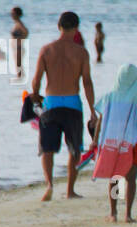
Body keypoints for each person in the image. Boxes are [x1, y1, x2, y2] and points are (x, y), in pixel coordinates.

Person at [31, 11, 95, 200]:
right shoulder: (81, 52)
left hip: (51, 103)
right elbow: (87, 82)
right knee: (74, 149)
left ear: (58, 26)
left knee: (47, 148)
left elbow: (36, 80)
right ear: (76, 28)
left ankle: (50, 185)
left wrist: (35, 99)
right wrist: (92, 110)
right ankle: (70, 190)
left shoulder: (46, 50)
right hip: (73, 104)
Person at [91, 63, 137, 222]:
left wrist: (95, 141)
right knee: (131, 179)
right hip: (134, 144)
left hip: (113, 143)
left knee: (115, 177)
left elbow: (100, 121)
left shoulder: (109, 97)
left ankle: (113, 213)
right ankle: (128, 214)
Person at [9, 7, 28, 79]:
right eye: (11, 14)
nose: (11, 15)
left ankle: (20, 80)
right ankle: (21, 80)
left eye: (13, 14)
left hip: (18, 48)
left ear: (17, 14)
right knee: (18, 66)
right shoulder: (17, 23)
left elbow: (26, 32)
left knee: (18, 66)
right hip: (16, 48)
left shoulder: (19, 24)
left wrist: (21, 40)